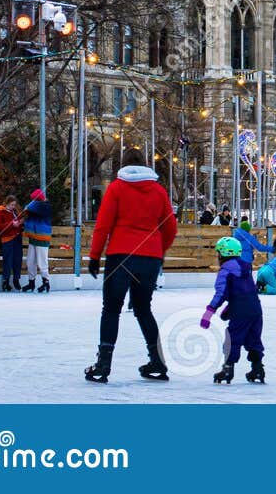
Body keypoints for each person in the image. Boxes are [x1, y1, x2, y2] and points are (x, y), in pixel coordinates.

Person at [85, 151, 178, 383]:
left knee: (112, 309)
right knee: (143, 308)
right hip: (150, 257)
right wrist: (160, 252)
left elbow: (103, 224)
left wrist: (95, 255)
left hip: (121, 256)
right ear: (145, 165)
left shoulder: (117, 187)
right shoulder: (158, 190)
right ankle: (157, 360)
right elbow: (170, 228)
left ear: (123, 164)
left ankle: (103, 364)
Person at [202, 237, 266, 384]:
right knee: (253, 339)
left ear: (222, 253)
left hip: (241, 311)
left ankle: (227, 370)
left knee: (232, 339)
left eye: (218, 253)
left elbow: (221, 293)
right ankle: (258, 369)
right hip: (256, 308)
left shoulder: (225, 270)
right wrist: (230, 308)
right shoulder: (245, 267)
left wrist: (209, 312)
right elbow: (245, 291)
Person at [22, 188, 52, 293]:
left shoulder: (45, 206)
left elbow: (27, 208)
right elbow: (25, 210)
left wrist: (29, 206)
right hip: (33, 237)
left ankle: (46, 283)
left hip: (42, 237)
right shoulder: (36, 206)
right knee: (30, 261)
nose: (33, 201)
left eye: (34, 199)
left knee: (42, 262)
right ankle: (31, 283)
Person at [0, 196, 24, 292]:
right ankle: (5, 281)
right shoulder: (1, 211)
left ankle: (16, 280)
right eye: (12, 204)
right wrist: (12, 224)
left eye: (14, 205)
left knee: (17, 260)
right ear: (6, 203)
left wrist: (20, 224)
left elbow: (17, 225)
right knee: (8, 260)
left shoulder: (14, 212)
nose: (13, 206)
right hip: (7, 240)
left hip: (17, 238)